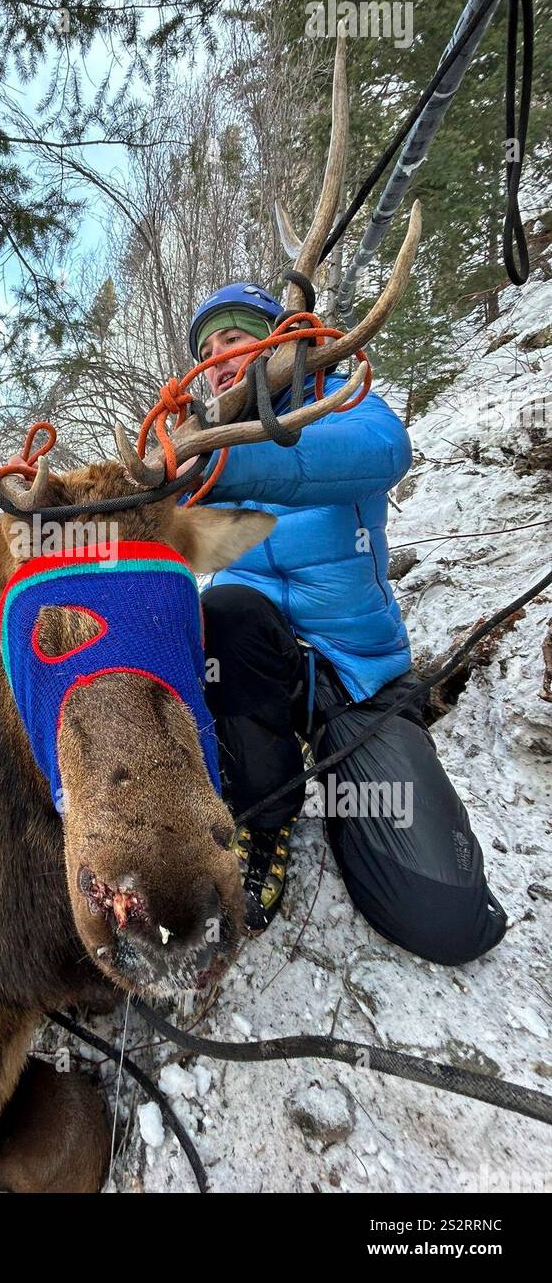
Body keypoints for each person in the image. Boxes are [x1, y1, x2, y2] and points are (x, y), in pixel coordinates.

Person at [191, 281, 507, 964]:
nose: (216, 360)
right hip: (254, 670)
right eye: (205, 350)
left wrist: (224, 460)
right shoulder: (196, 446)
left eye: (233, 339)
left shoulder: (340, 401)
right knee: (224, 612)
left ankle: (330, 767)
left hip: (354, 678)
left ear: (278, 342)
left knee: (444, 919)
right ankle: (265, 816)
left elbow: (381, 452)